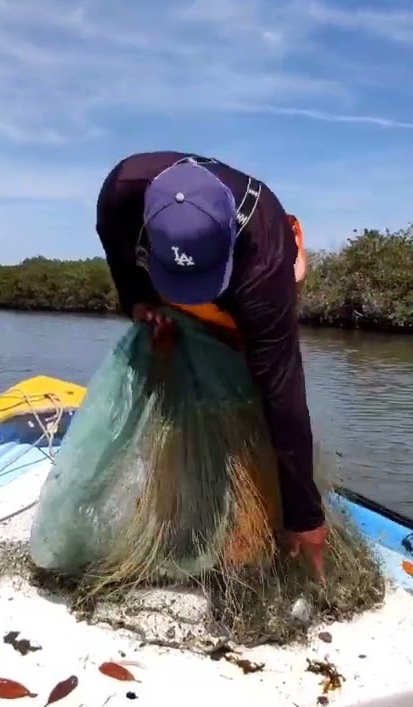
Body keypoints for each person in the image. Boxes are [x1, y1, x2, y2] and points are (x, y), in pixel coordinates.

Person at [94, 151, 326, 581]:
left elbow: (284, 393)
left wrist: (306, 516)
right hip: (173, 280)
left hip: (253, 280)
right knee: (179, 395)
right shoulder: (123, 191)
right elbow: (112, 240)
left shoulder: (264, 261)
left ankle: (249, 539)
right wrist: (137, 299)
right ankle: (178, 515)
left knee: (249, 406)